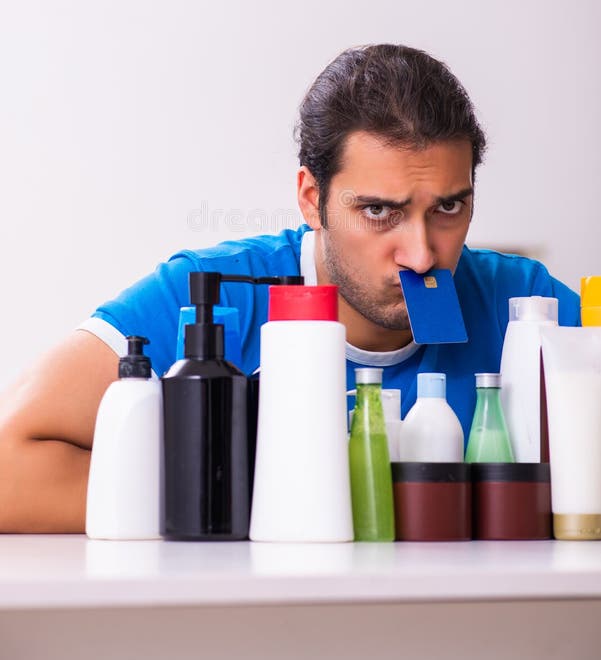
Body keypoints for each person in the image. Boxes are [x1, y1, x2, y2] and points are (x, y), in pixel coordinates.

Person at [0, 43, 579, 533]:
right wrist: (240, 496)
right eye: (379, 211)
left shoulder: (524, 307)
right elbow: (10, 465)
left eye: (449, 207)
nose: (423, 253)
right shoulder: (214, 294)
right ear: (312, 199)